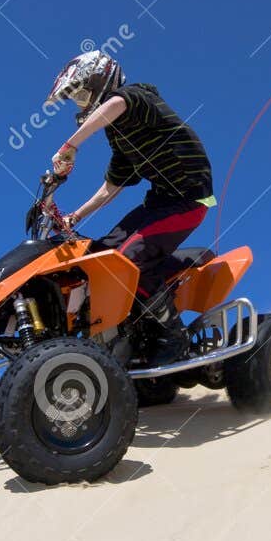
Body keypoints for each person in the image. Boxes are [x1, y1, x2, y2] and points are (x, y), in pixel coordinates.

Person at [44, 50, 214, 362]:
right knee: (97, 254)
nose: (80, 103)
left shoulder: (137, 97)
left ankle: (174, 337)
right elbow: (111, 187)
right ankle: (122, 336)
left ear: (101, 83)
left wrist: (71, 145)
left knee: (129, 260)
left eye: (82, 94)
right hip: (159, 202)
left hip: (190, 200)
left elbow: (116, 105)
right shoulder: (120, 139)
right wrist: (74, 216)